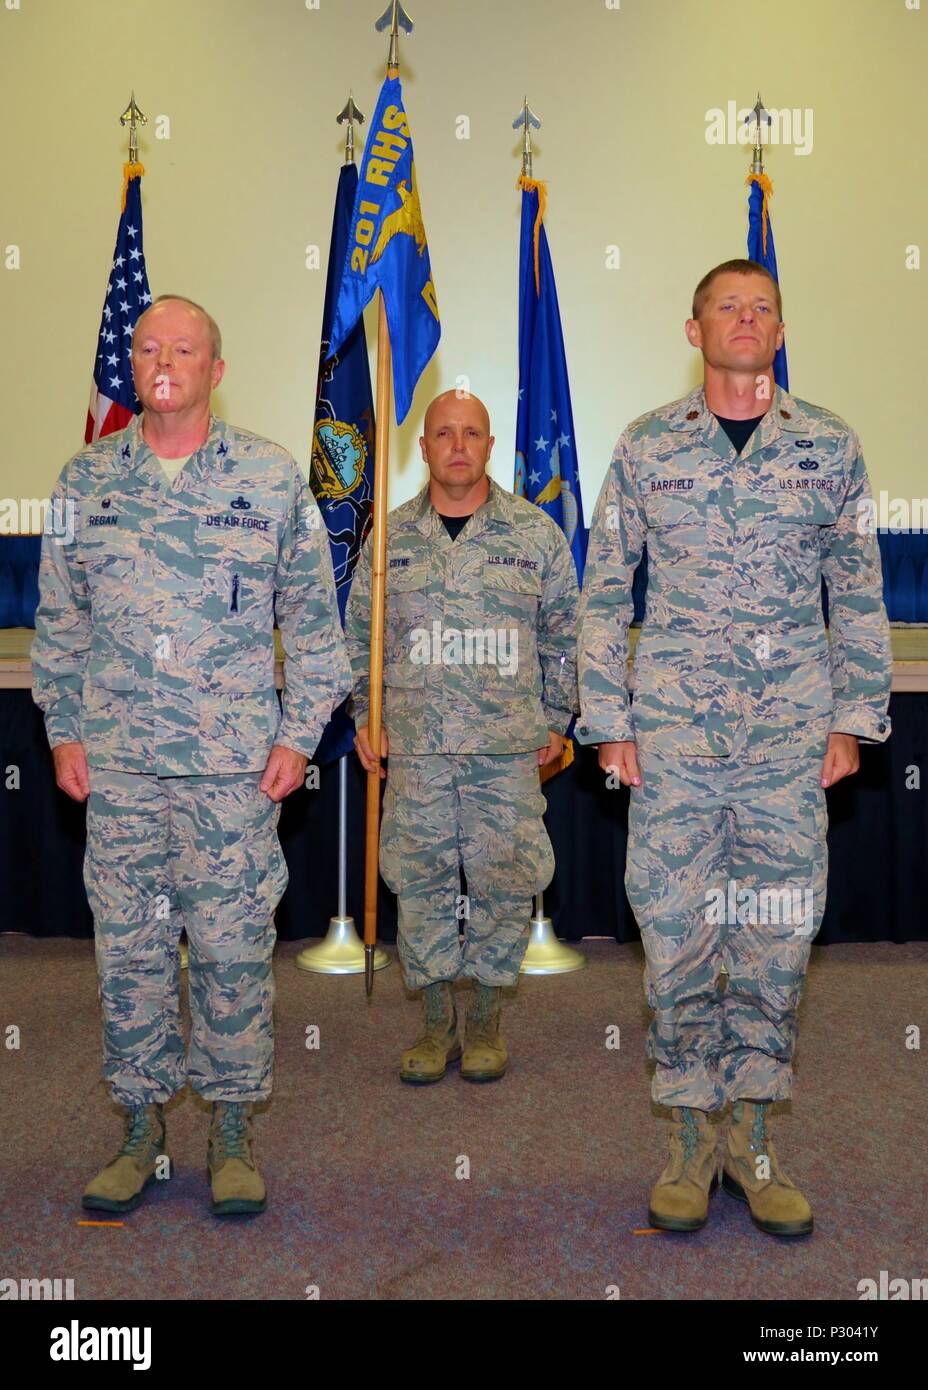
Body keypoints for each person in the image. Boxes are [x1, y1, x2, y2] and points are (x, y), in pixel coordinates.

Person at [577, 260, 892, 1237]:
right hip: (671, 749)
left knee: (773, 943)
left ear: (779, 328)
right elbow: (600, 594)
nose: (744, 320)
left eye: (761, 307)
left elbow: (861, 591)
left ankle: (751, 1140)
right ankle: (686, 1141)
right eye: (727, 306)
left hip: (787, 748)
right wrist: (609, 721)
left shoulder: (830, 448)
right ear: (693, 328)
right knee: (675, 947)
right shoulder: (644, 449)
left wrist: (853, 718)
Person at [32, 294, 351, 1216]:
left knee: (231, 950)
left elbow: (315, 632)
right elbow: (60, 623)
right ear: (131, 367)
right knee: (129, 954)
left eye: (184, 347)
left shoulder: (271, 477)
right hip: (122, 772)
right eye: (146, 347)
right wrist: (63, 729)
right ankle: (139, 1127)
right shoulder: (82, 483)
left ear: (216, 368)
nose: (162, 360)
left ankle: (233, 1127)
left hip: (231, 776)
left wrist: (297, 738)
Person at [346, 389, 579, 1083]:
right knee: (418, 882)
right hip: (415, 748)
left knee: (505, 881)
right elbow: (360, 637)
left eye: (470, 434)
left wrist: (559, 719)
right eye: (442, 434)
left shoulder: (534, 535)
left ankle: (485, 1017)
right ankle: (435, 1017)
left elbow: (567, 634)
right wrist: (366, 715)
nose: (456, 446)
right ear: (423, 449)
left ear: (489, 446)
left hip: (505, 749)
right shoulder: (388, 541)